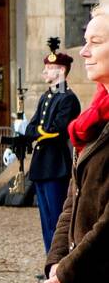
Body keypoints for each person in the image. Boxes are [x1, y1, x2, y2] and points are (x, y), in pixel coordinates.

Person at [45, 5, 109, 283]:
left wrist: (71, 269)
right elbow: (75, 195)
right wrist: (54, 262)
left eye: (96, 42)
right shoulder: (93, 117)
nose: (83, 50)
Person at [26, 38, 81, 253]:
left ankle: (60, 261)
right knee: (46, 219)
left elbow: (57, 131)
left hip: (56, 164)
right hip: (41, 165)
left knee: (57, 219)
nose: (45, 72)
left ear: (61, 71)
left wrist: (40, 133)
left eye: (50, 69)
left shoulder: (67, 98)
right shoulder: (46, 97)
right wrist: (37, 133)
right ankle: (51, 261)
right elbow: (32, 127)